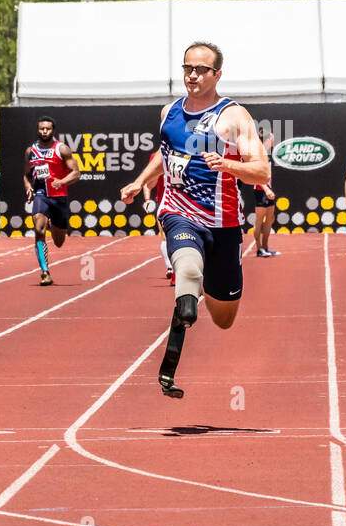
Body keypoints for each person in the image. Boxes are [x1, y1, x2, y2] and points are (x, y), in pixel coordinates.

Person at [118, 41, 271, 398]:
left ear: (217, 74)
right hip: (178, 211)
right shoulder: (168, 111)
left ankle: (196, 291)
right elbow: (165, 154)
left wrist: (228, 164)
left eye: (201, 69)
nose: (192, 74)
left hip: (223, 224)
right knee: (186, 265)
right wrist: (142, 181)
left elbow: (261, 170)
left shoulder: (233, 116)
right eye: (187, 67)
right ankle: (187, 298)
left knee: (224, 317)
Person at [25, 118, 81, 282]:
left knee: (58, 241)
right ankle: (45, 272)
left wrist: (62, 182)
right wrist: (28, 187)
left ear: (53, 130)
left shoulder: (61, 149)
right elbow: (26, 174)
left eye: (47, 129)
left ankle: (52, 224)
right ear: (38, 130)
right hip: (41, 194)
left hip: (59, 198)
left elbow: (76, 172)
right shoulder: (30, 151)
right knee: (38, 230)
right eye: (41, 129)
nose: (44, 132)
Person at [251, 130, 278, 257]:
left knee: (270, 220)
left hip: (269, 190)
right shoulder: (258, 153)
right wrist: (266, 189)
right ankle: (259, 249)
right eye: (272, 137)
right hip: (261, 191)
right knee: (259, 220)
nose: (273, 139)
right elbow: (255, 174)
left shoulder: (268, 153)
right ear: (267, 140)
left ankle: (266, 247)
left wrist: (269, 189)